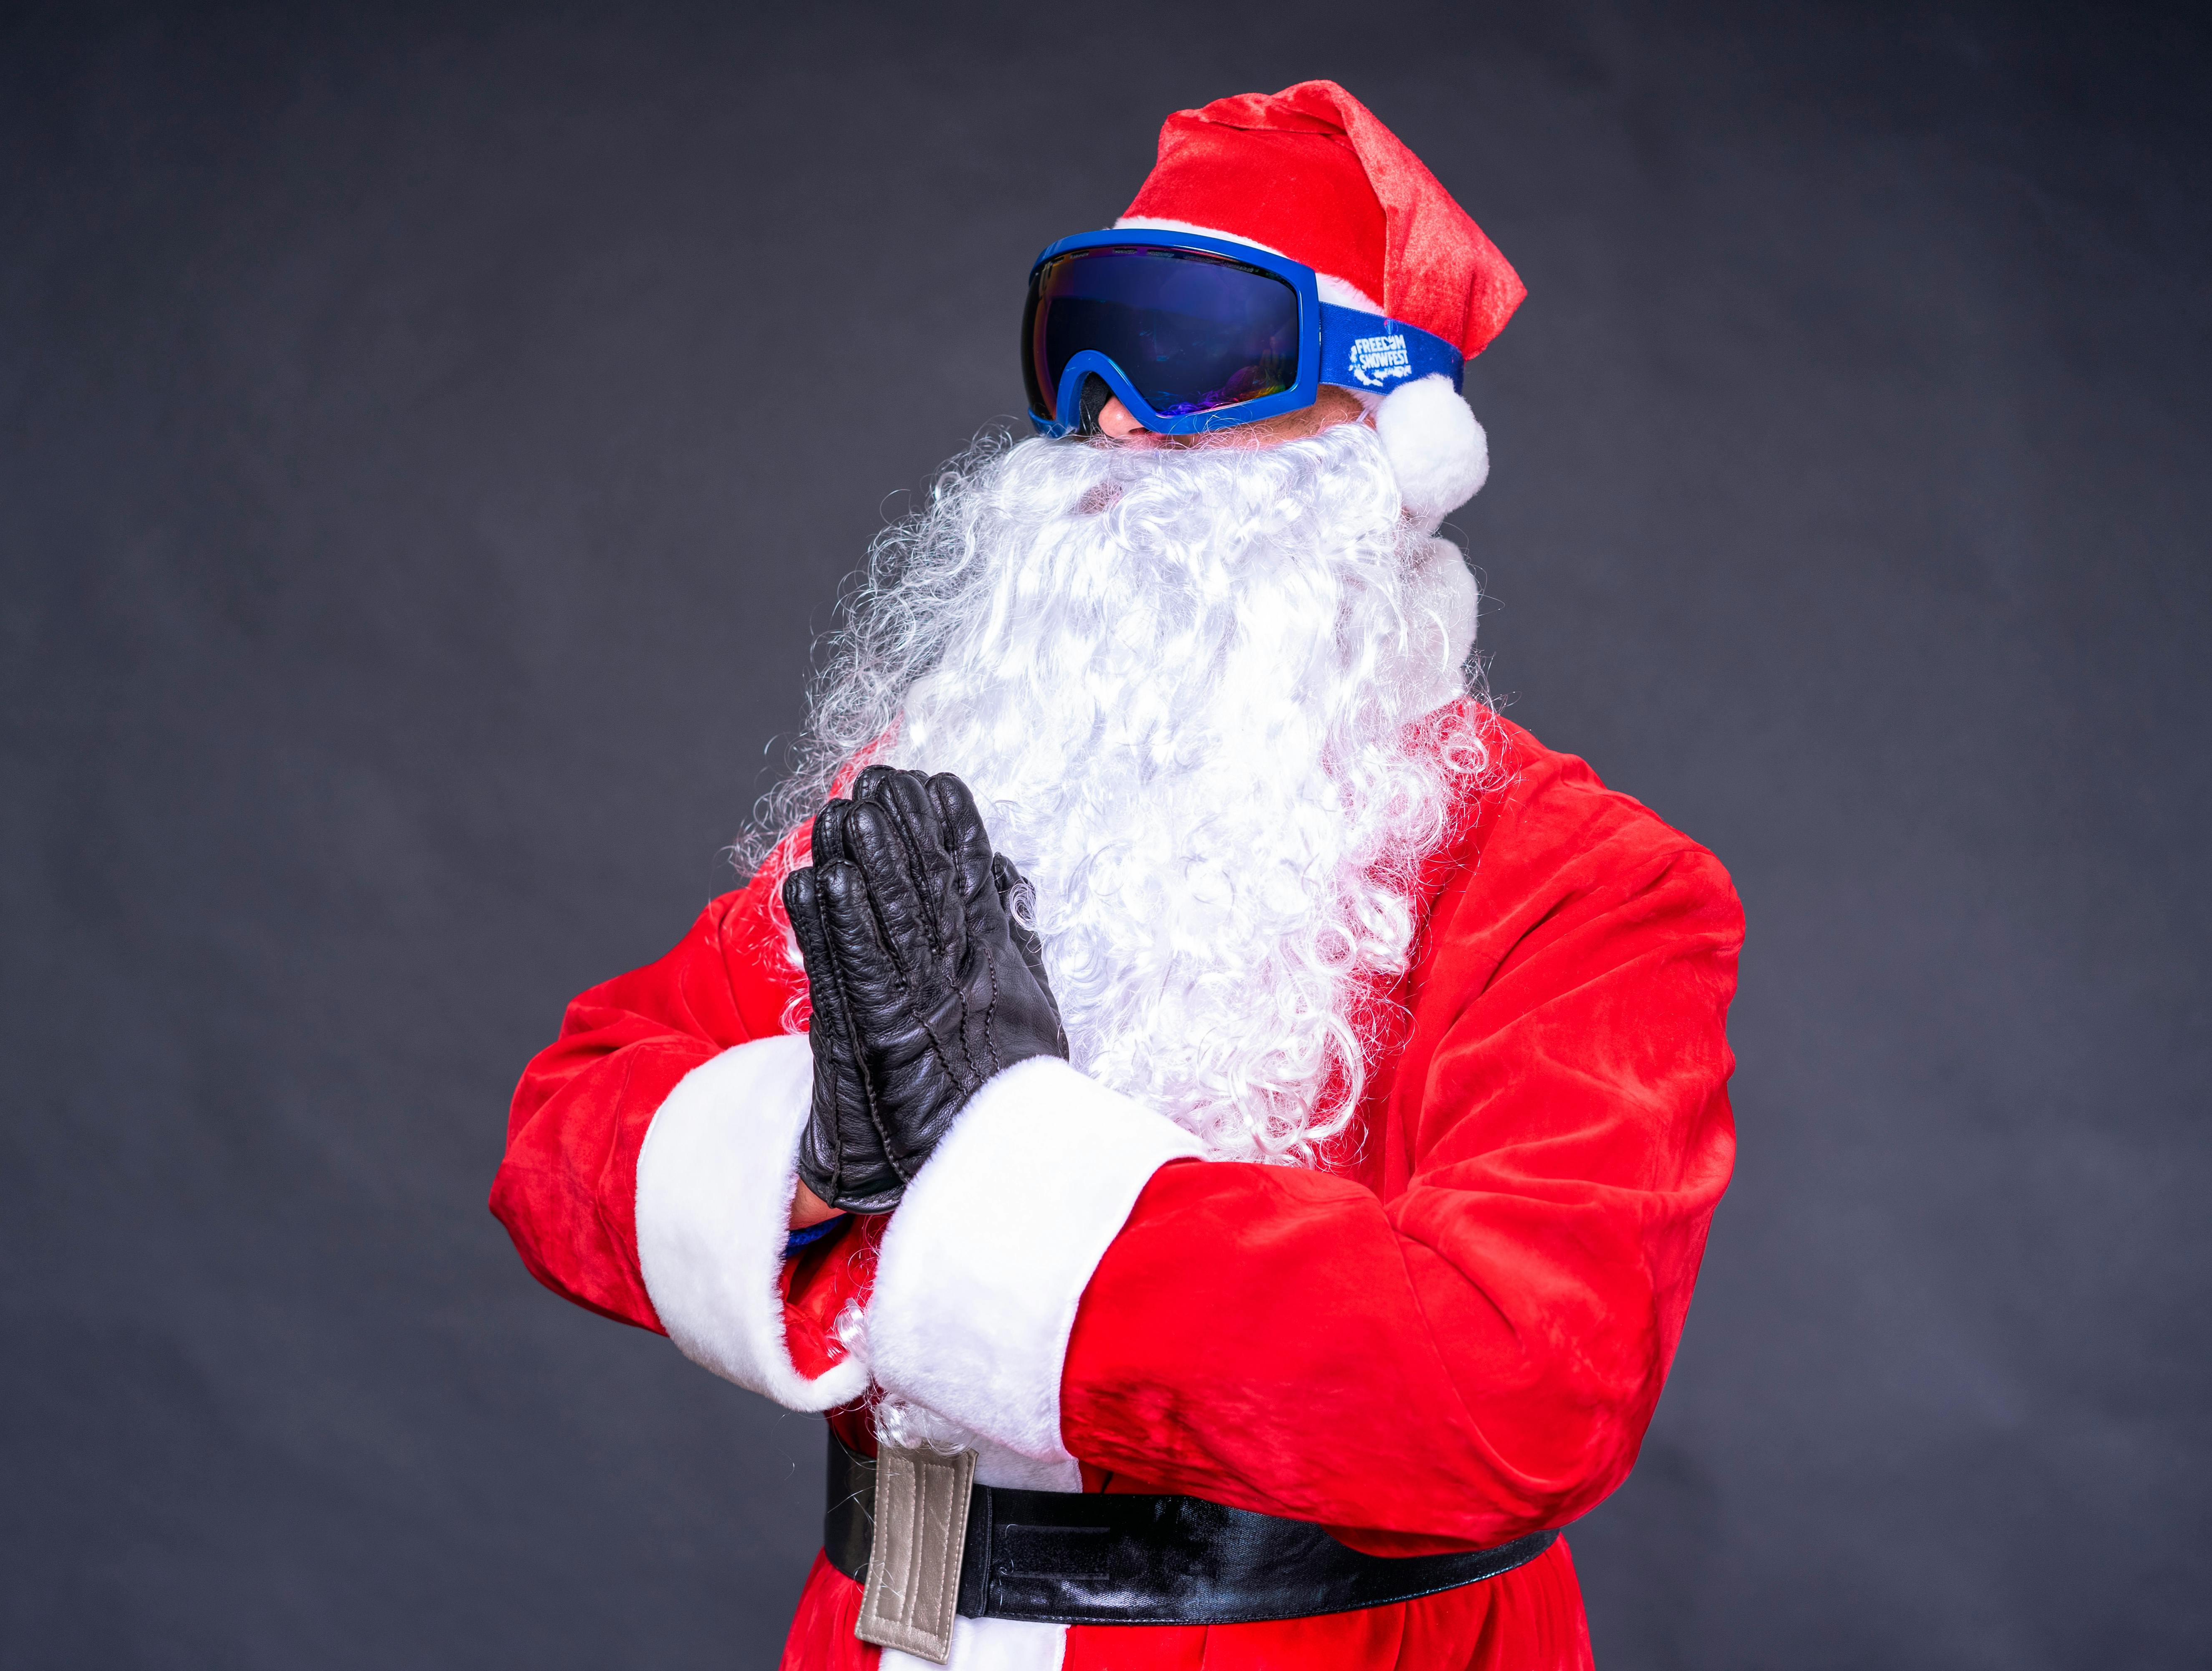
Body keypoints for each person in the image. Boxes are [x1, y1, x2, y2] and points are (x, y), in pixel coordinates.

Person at [491, 79, 1741, 1671]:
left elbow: (1520, 1389)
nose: (1116, 418)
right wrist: (828, 1160)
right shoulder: (931, 801)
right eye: (1075, 350)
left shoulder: (1583, 885)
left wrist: (991, 1153)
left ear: (1385, 431)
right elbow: (571, 1124)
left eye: (1191, 350)